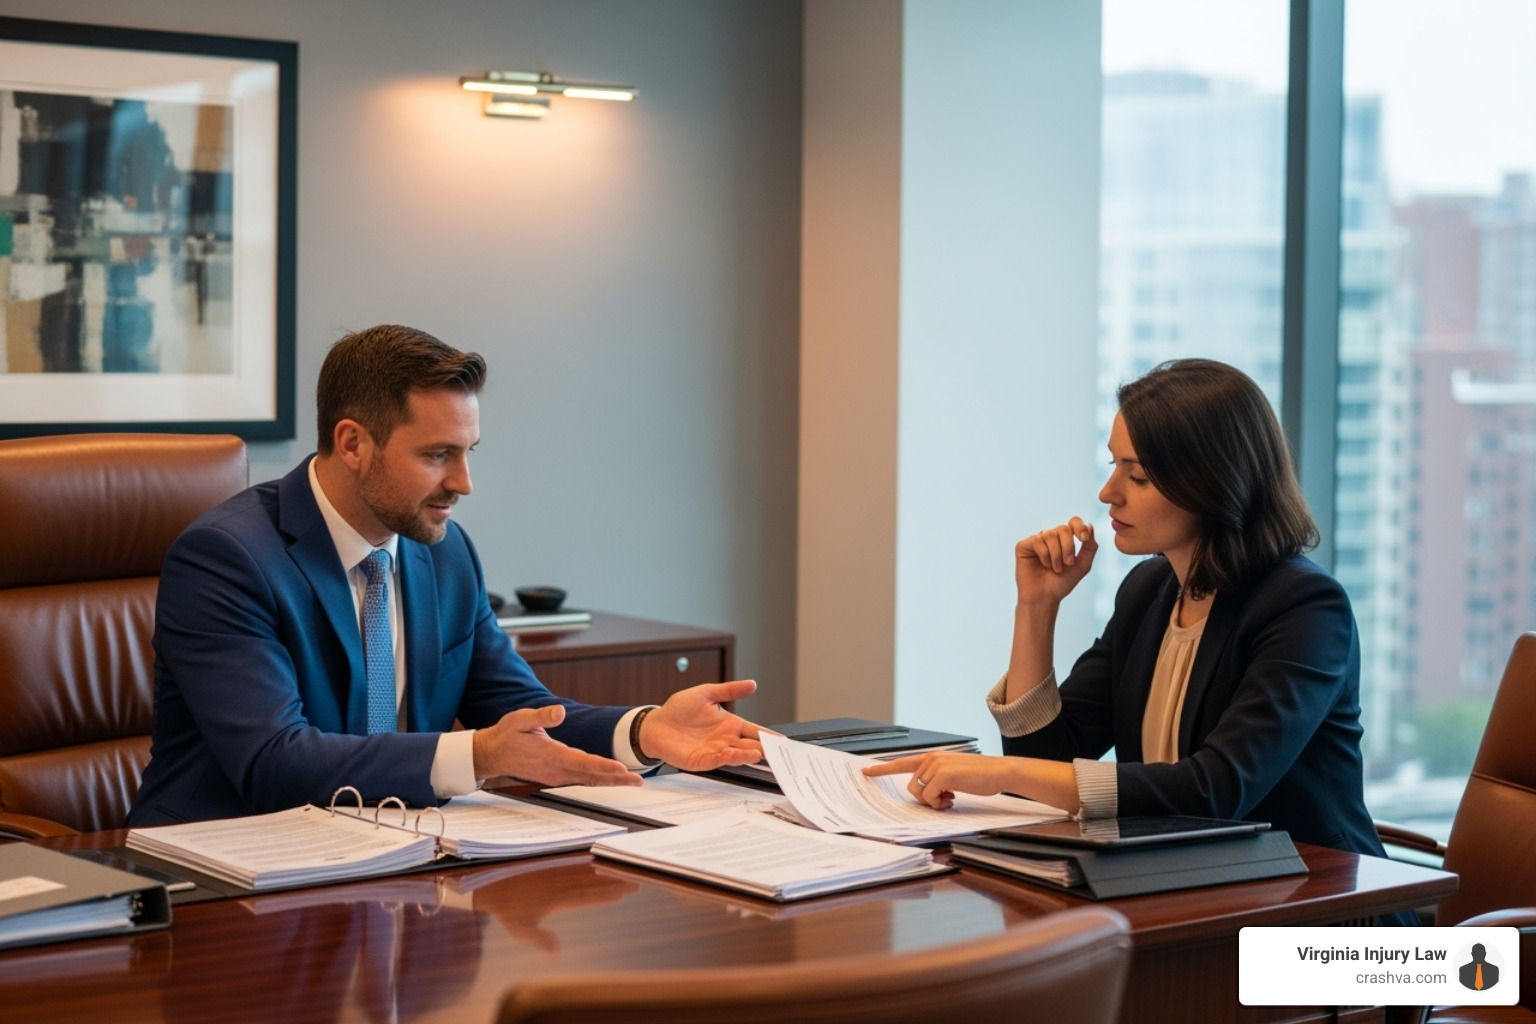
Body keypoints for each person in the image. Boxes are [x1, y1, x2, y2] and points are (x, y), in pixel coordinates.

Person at [129, 325, 761, 826]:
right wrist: (478, 755)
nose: (463, 483)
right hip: (225, 874)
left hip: (393, 861)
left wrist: (646, 729)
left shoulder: (443, 551)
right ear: (353, 444)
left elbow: (520, 710)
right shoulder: (227, 558)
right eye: (437, 456)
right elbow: (274, 761)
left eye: (467, 453)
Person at [866, 358, 1392, 862]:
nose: (1108, 493)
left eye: (1136, 477)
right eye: (1114, 466)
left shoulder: (1304, 609)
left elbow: (1217, 789)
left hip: (1318, 904)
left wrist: (1005, 774)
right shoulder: (1148, 591)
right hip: (1186, 880)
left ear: (1211, 482)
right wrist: (1036, 607)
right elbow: (1050, 760)